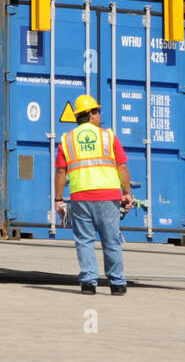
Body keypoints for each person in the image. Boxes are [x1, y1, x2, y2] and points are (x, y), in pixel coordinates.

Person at [54, 94, 133, 295]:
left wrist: (58, 199)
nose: (99, 116)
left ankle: (89, 283)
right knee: (111, 240)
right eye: (97, 112)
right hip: (108, 197)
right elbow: (122, 167)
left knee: (84, 241)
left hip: (81, 197)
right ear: (90, 114)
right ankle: (117, 284)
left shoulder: (67, 139)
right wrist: (127, 193)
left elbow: (61, 172)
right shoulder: (108, 136)